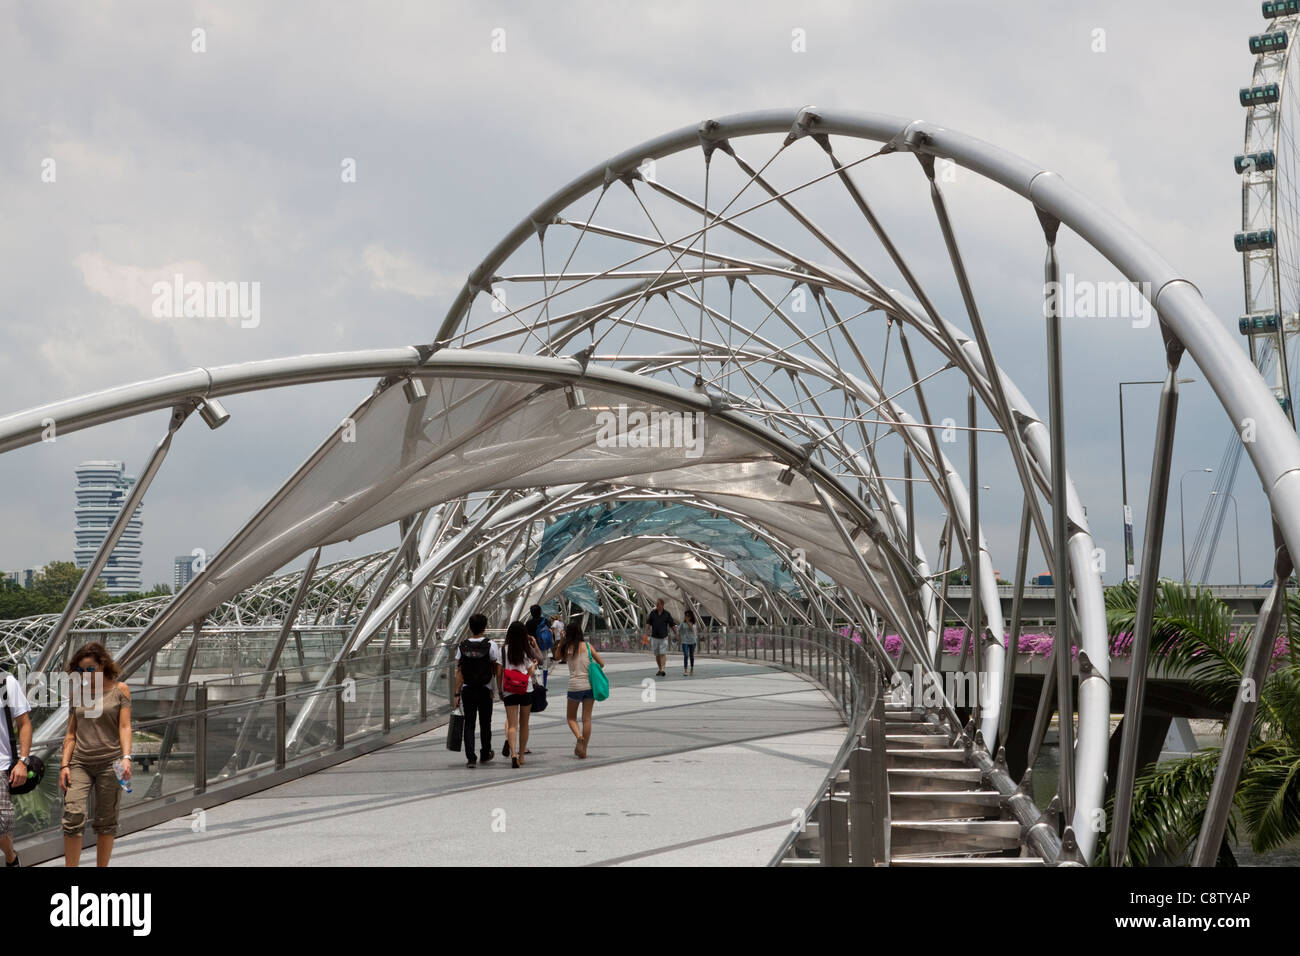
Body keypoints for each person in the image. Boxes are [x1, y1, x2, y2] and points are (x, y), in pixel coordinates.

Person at [59, 641, 131, 867]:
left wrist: (126, 758)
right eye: (81, 670)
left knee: (106, 821)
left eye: (90, 669)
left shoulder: (121, 690)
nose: (86, 674)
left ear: (102, 665)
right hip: (80, 761)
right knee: (73, 816)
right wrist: (64, 765)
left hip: (111, 761)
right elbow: (71, 734)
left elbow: (125, 727)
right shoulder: (78, 693)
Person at [453, 613, 500, 768]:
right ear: (485, 627)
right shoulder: (491, 645)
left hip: (468, 690)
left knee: (469, 724)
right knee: (486, 722)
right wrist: (496, 688)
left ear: (469, 627)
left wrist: (456, 693)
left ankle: (471, 758)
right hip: (485, 689)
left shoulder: (462, 645)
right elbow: (496, 668)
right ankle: (485, 753)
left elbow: (459, 672)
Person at [555, 621, 604, 758]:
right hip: (589, 686)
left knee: (571, 718)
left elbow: (556, 657)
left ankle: (579, 737)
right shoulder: (588, 646)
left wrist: (561, 641)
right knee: (587, 719)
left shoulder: (567, 648)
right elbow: (602, 663)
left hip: (574, 686)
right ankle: (584, 750)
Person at [0, 667, 33, 868]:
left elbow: (24, 723)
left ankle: (11, 857)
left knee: (2, 824)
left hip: (1, 765)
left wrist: (23, 761)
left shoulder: (6, 682)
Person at [499, 621, 538, 768]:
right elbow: (531, 672)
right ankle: (521, 755)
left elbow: (499, 671)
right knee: (524, 724)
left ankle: (513, 754)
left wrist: (499, 689)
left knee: (512, 725)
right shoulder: (526, 650)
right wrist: (533, 664)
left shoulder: (502, 650)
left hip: (509, 690)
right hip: (525, 689)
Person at [643, 598, 677, 678]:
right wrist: (646, 633)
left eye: (658, 604)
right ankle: (659, 668)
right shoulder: (652, 613)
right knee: (657, 654)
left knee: (663, 653)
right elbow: (648, 623)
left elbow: (672, 624)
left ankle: (663, 669)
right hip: (654, 637)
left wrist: (676, 634)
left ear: (662, 605)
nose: (657, 605)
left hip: (663, 637)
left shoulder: (667, 614)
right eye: (656, 604)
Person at [679, 608, 699, 676]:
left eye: (688, 615)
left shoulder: (694, 624)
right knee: (686, 655)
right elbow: (678, 630)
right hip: (685, 641)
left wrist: (688, 622)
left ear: (691, 616)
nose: (686, 617)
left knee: (691, 656)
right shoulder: (682, 623)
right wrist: (678, 635)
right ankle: (685, 670)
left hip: (692, 641)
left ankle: (692, 668)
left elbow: (692, 630)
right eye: (685, 615)